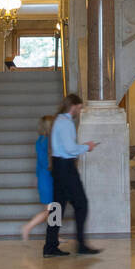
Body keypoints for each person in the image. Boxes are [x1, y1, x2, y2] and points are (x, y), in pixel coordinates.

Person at [44, 93, 101, 256]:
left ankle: (50, 246)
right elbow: (70, 149)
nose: (79, 111)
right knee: (81, 204)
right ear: (74, 106)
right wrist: (86, 147)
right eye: (79, 107)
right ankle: (81, 244)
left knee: (57, 207)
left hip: (58, 166)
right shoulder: (66, 123)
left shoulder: (58, 121)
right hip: (66, 168)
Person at [21, 114, 56, 245]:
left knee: (54, 208)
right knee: (51, 210)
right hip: (48, 179)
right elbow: (45, 162)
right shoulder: (46, 141)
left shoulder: (41, 140)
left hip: (44, 178)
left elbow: (39, 163)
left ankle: (55, 235)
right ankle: (28, 227)